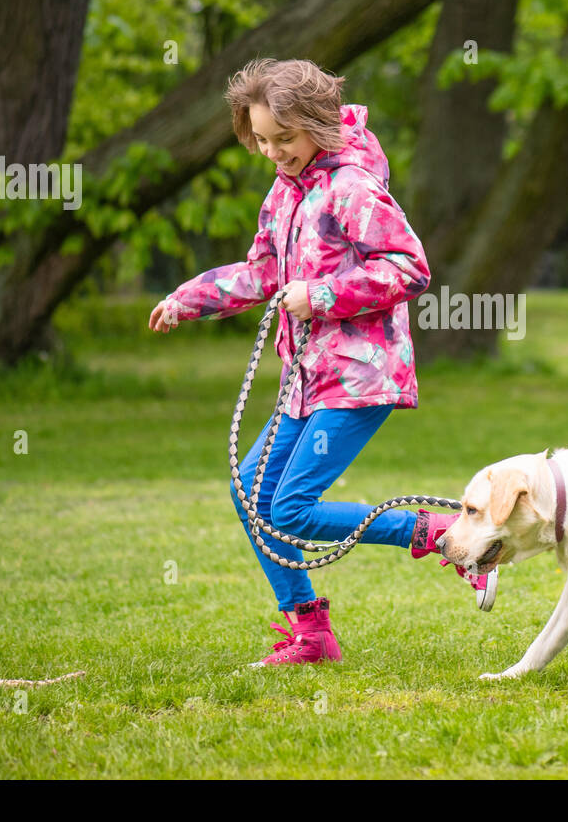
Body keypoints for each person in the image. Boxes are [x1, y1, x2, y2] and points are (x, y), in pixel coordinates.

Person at [148, 58, 495, 667]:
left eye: (285, 138)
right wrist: (189, 297)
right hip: (305, 379)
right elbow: (262, 273)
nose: (274, 152)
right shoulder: (286, 191)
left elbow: (410, 267)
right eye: (261, 139)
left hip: (361, 376)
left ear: (320, 125)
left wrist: (324, 295)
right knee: (248, 492)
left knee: (289, 509)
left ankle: (440, 536)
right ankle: (310, 634)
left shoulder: (353, 187)